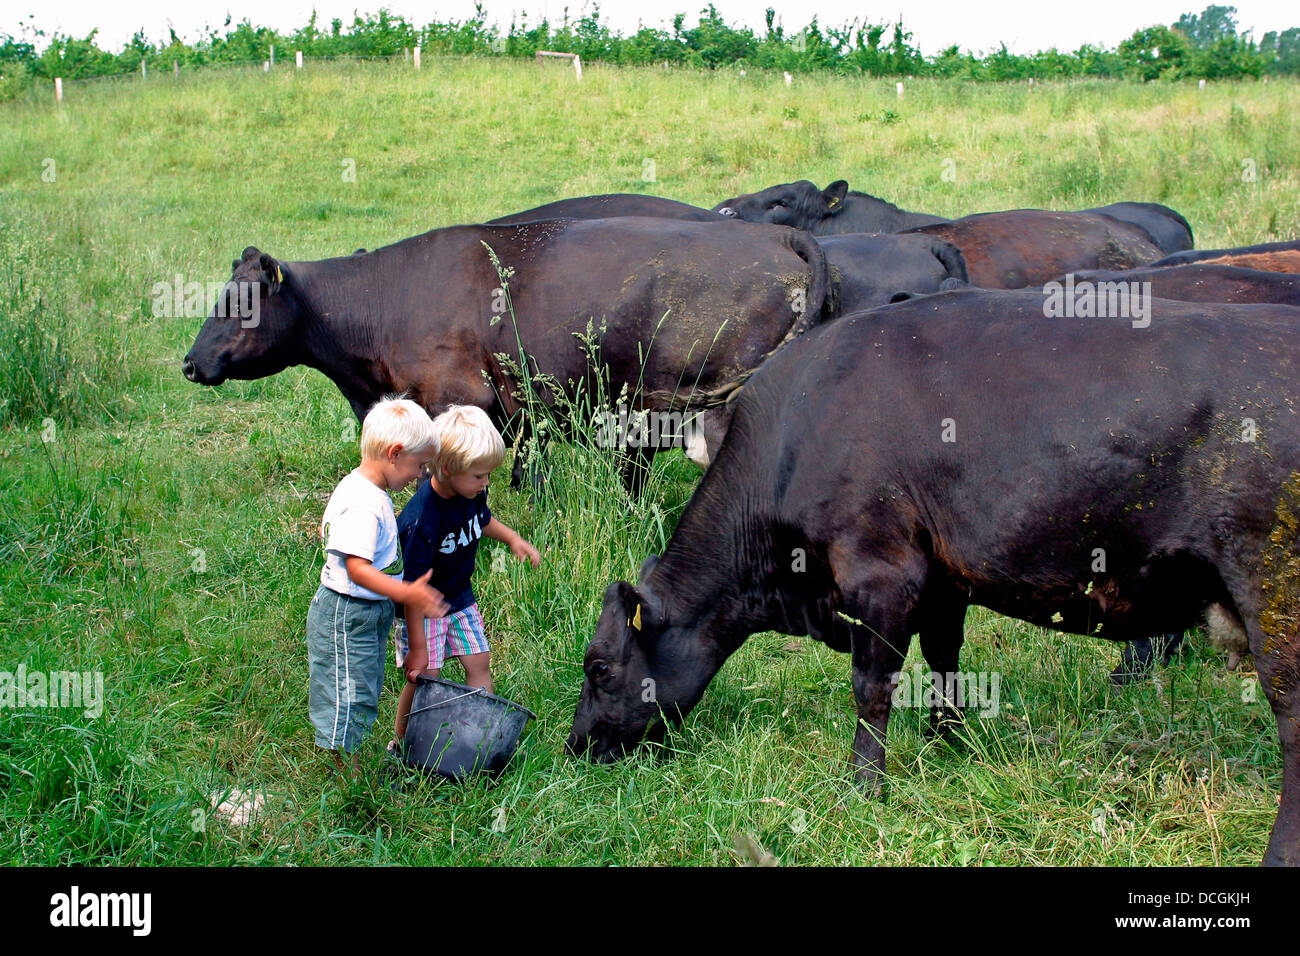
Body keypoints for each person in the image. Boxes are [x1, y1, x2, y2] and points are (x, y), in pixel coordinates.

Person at [306, 396, 448, 776]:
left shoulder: (367, 490)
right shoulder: (364, 504)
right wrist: (405, 593)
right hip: (348, 614)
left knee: (364, 685)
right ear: (395, 453)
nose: (419, 475)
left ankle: (349, 764)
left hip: (365, 613)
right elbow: (357, 568)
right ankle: (346, 779)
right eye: (418, 466)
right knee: (348, 692)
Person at [393, 405, 541, 747]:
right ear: (447, 469)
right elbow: (411, 591)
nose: (486, 482)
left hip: (460, 597)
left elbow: (483, 520)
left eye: (488, 475)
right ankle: (403, 740)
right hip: (424, 608)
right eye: (479, 476)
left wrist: (513, 538)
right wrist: (416, 646)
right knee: (424, 675)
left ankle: (483, 733)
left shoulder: (471, 493)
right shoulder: (421, 521)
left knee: (479, 660)